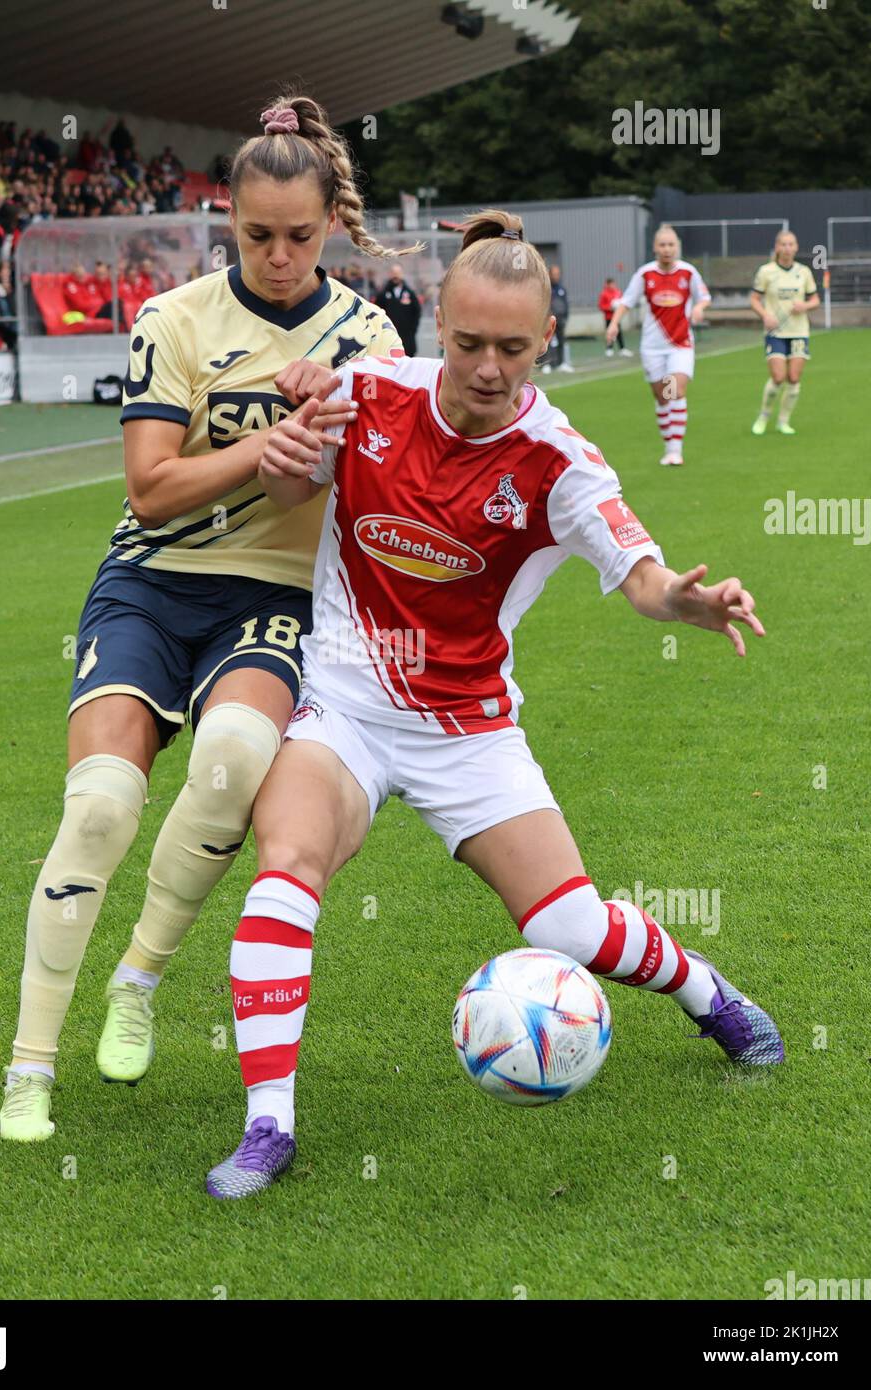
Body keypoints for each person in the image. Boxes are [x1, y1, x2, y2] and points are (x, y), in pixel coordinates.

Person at [203, 209, 782, 1201]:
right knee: (286, 863)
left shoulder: (560, 462)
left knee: (568, 929)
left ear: (545, 339)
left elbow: (638, 572)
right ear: (436, 320)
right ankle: (269, 1126)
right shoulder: (366, 395)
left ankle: (700, 987)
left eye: (512, 347)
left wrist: (681, 601)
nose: (485, 366)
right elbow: (291, 491)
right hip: (342, 705)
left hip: (466, 728)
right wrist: (288, 454)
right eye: (467, 342)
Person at [0, 92, 412, 1143]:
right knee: (98, 805)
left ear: (328, 226)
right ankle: (28, 1066)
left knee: (230, 756)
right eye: (257, 235)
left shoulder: (369, 334)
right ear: (228, 219)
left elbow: (394, 487)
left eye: (300, 237)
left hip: (273, 595)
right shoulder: (171, 320)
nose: (278, 255)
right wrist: (265, 444)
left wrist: (349, 417)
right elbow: (149, 489)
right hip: (151, 581)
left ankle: (138, 977)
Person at [605, 226, 710, 467]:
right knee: (662, 397)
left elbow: (704, 296)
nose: (667, 249)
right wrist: (614, 324)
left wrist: (698, 308)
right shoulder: (645, 274)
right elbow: (627, 302)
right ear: (655, 247)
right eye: (662, 245)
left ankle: (675, 450)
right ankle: (668, 445)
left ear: (677, 246)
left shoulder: (688, 272)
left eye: (671, 244)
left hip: (680, 344)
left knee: (677, 390)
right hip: (652, 346)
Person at [749, 230, 819, 436]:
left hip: (799, 331)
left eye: (791, 244)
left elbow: (815, 300)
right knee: (778, 377)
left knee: (794, 377)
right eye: (784, 244)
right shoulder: (766, 272)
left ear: (796, 247)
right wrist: (765, 315)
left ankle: (783, 421)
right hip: (776, 332)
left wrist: (804, 306)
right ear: (777, 247)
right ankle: (764, 415)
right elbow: (754, 299)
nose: (787, 248)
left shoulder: (804, 272)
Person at [374, 262, 422, 355]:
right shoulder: (383, 294)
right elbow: (377, 312)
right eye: (393, 272)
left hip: (407, 338)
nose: (395, 275)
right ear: (389, 274)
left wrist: (412, 330)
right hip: (388, 337)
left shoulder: (409, 293)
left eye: (398, 272)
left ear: (402, 274)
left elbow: (417, 311)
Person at [541, 262, 572, 372]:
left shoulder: (561, 289)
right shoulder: (546, 289)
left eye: (557, 274)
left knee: (561, 341)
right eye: (554, 274)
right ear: (549, 274)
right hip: (549, 320)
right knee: (547, 341)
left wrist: (565, 316)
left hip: (560, 320)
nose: (556, 276)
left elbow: (566, 304)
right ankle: (546, 364)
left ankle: (561, 363)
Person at [598, 276, 632, 356]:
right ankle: (609, 348)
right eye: (611, 284)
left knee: (619, 333)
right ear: (607, 284)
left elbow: (622, 302)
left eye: (614, 284)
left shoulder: (618, 292)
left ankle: (622, 349)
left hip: (616, 317)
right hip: (608, 317)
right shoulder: (604, 294)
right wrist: (609, 308)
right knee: (610, 333)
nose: (613, 286)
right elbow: (601, 306)